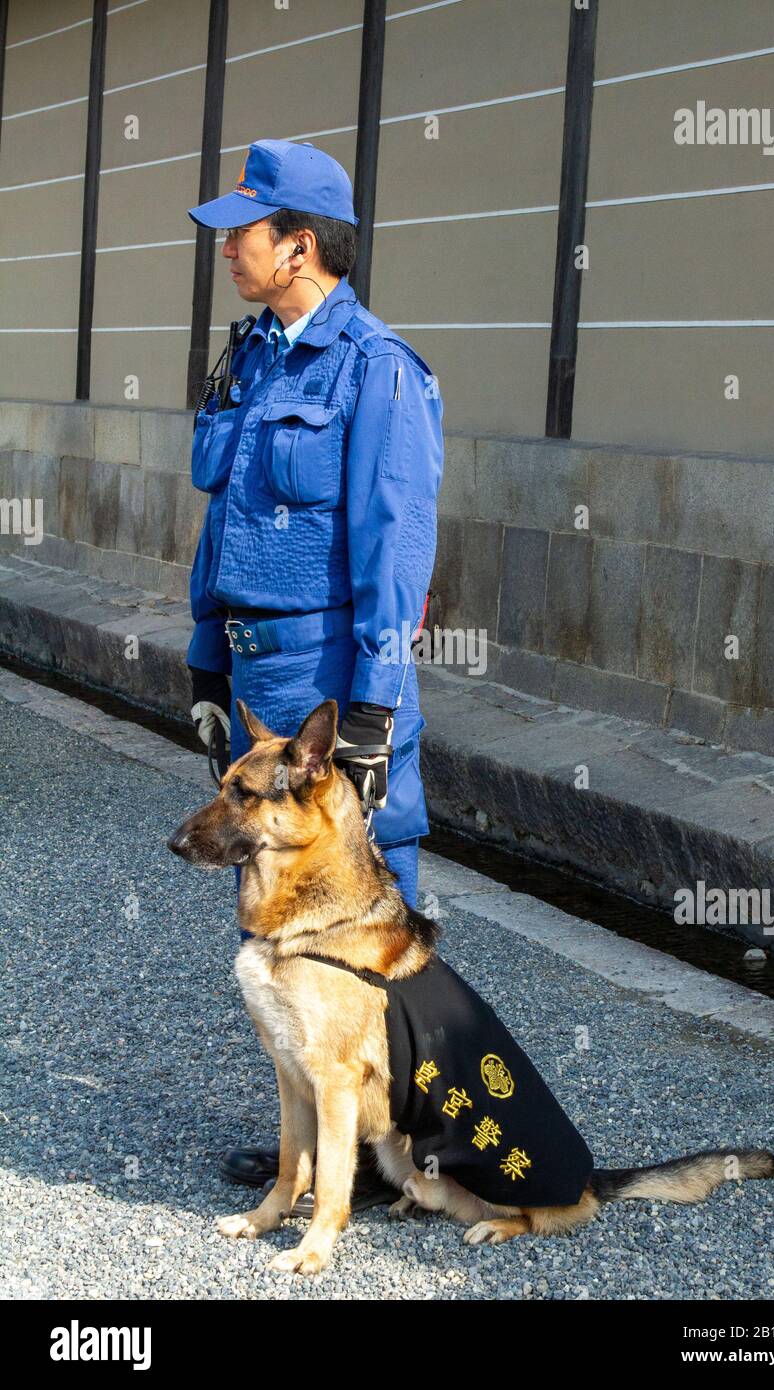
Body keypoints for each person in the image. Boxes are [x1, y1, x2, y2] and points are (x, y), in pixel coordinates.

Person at [185, 138, 444, 1210]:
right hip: (256, 670)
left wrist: (374, 704)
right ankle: (309, 1146)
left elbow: (396, 542)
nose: (226, 250)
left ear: (297, 246)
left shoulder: (375, 366)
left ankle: (400, 1143)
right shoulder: (255, 358)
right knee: (278, 916)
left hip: (330, 679)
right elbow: (226, 517)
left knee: (366, 910)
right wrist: (204, 650)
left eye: (242, 232)